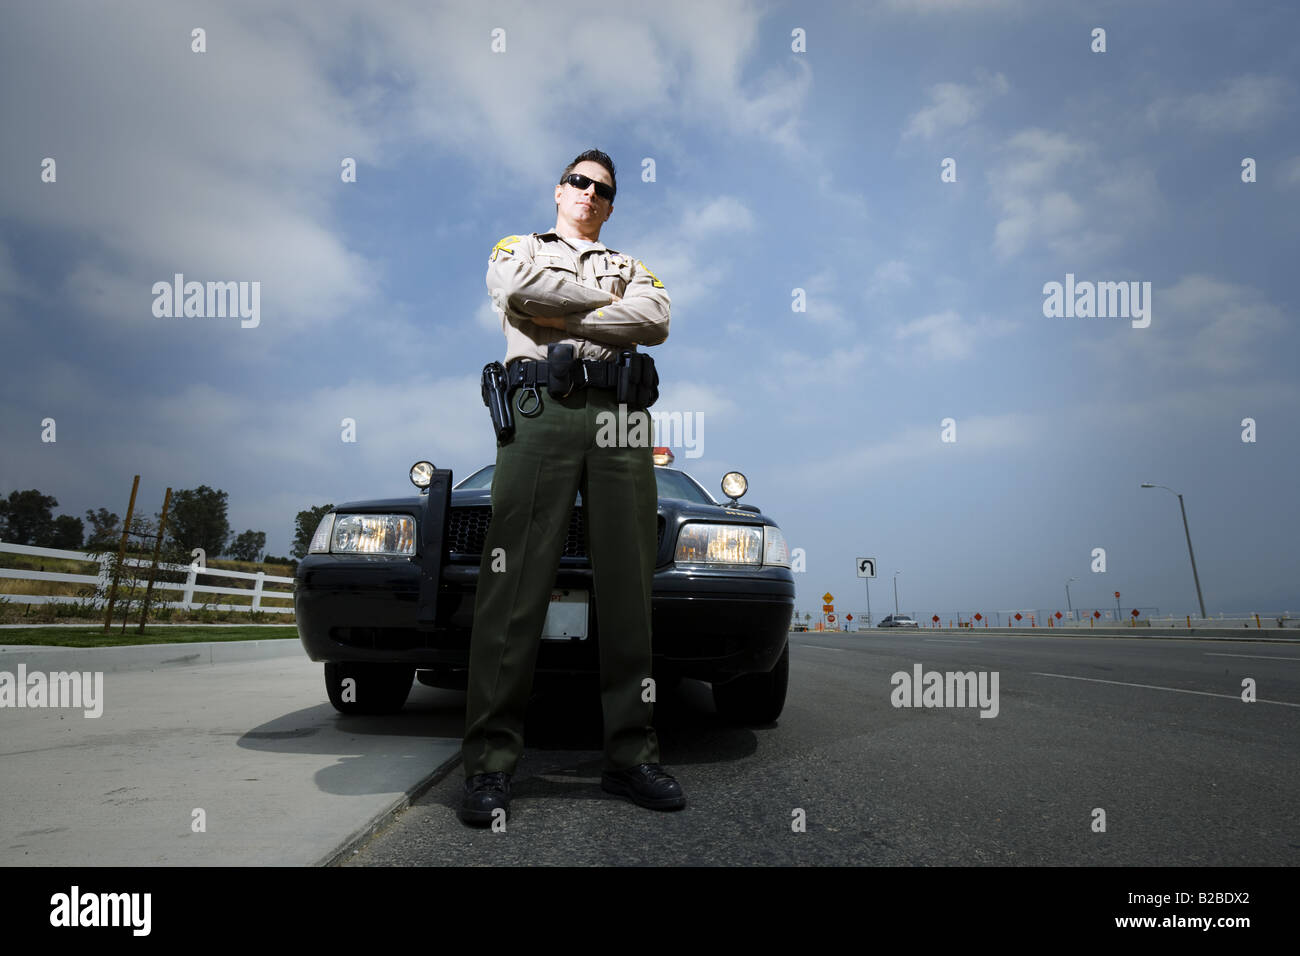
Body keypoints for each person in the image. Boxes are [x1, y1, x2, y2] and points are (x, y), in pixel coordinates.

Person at [459, 149, 685, 826]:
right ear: (559, 191)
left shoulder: (634, 266)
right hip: (539, 412)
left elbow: (656, 321)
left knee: (628, 589)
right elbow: (520, 294)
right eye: (579, 181)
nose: (589, 192)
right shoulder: (517, 246)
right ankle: (491, 766)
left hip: (621, 419)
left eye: (603, 189)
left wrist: (567, 315)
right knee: (514, 587)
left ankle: (631, 755)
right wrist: (605, 309)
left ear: (611, 204)